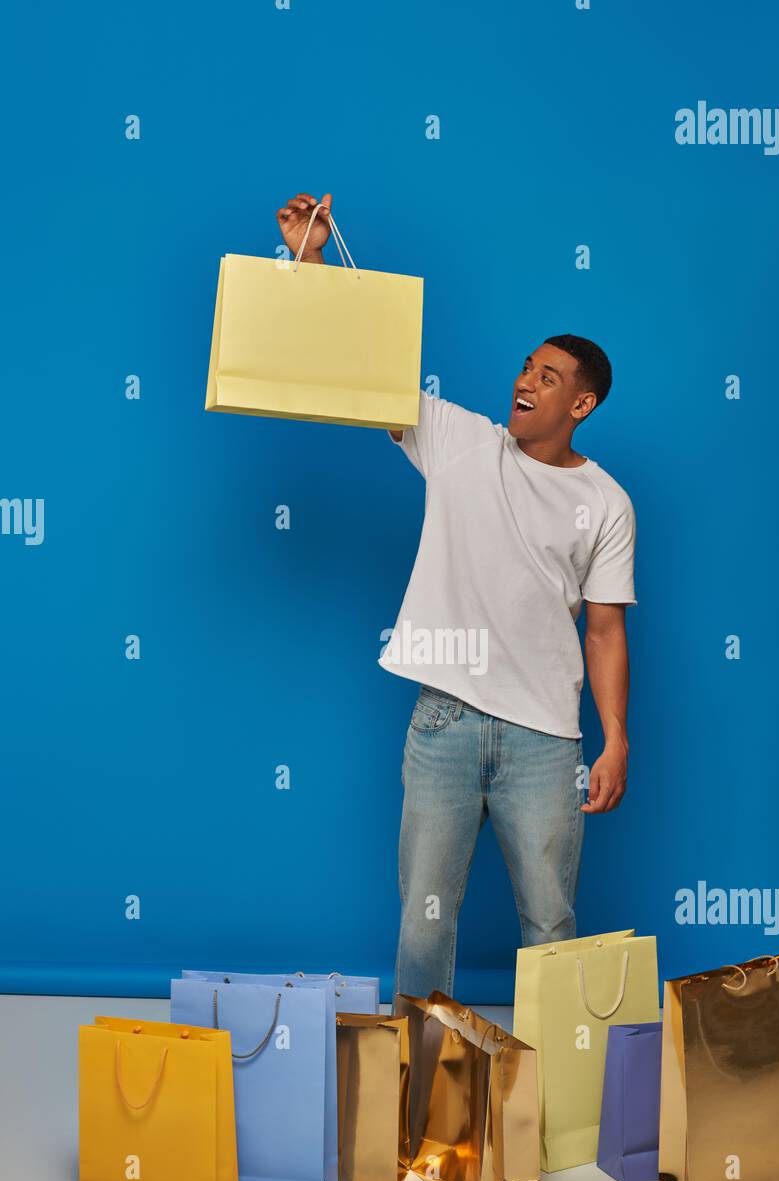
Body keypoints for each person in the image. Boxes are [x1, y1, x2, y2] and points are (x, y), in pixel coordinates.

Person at [277, 192, 636, 1001]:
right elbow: (359, 367)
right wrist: (310, 259)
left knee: (550, 926)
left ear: (580, 405)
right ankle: (420, 1100)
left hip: (546, 738)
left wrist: (612, 741)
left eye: (548, 379)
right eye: (524, 367)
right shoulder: (459, 442)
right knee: (423, 925)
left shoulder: (607, 503)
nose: (526, 383)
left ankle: (552, 1103)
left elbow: (605, 632)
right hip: (442, 721)